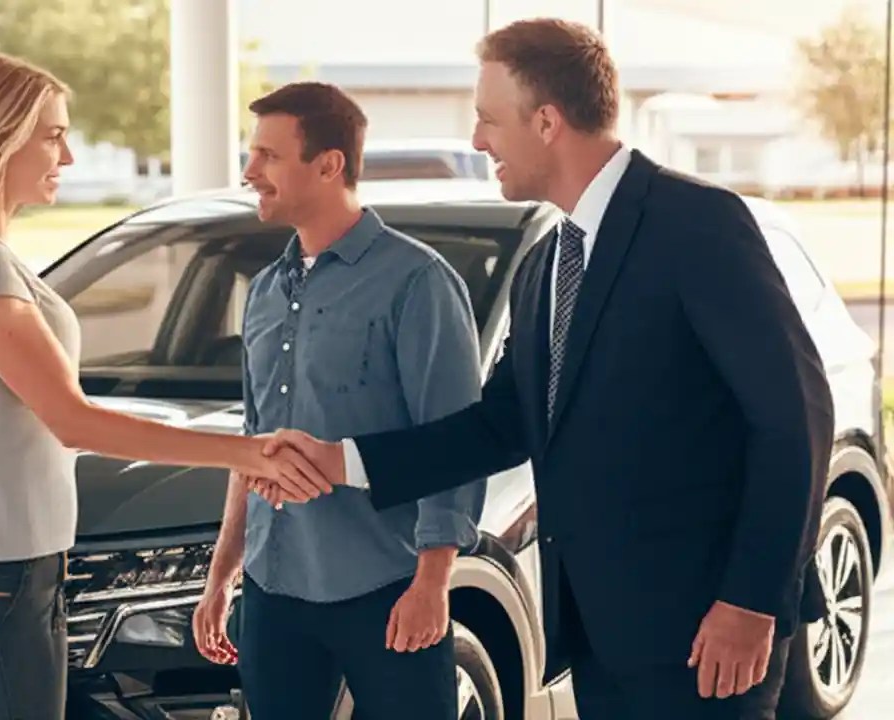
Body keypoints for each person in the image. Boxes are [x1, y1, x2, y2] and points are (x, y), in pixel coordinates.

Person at [257, 19, 833, 720]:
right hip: (599, 637)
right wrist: (342, 460)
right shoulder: (545, 264)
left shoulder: (697, 224)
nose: (478, 141)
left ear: (548, 122)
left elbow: (794, 418)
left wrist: (751, 600)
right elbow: (500, 425)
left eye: (487, 119)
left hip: (705, 634)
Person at [0, 54, 330, 720]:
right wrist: (246, 452)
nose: (67, 156)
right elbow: (72, 421)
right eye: (53, 135)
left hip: (12, 570)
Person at [191, 82, 486, 720]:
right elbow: (252, 445)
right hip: (273, 589)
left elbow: (456, 441)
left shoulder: (417, 282)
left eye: (269, 155)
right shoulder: (265, 291)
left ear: (329, 165)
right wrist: (222, 576)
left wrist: (434, 582)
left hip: (386, 586)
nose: (250, 171)